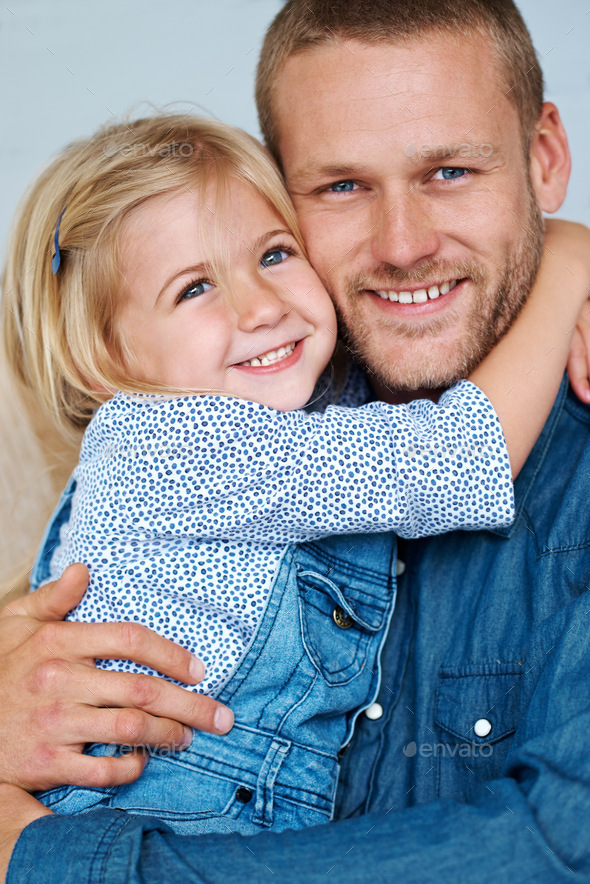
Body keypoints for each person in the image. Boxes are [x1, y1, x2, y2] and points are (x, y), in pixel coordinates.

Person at [1, 0, 590, 878]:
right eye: (342, 186)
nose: (402, 245)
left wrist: (46, 860)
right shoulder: (210, 419)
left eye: (451, 171)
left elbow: (555, 846)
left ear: (544, 159)